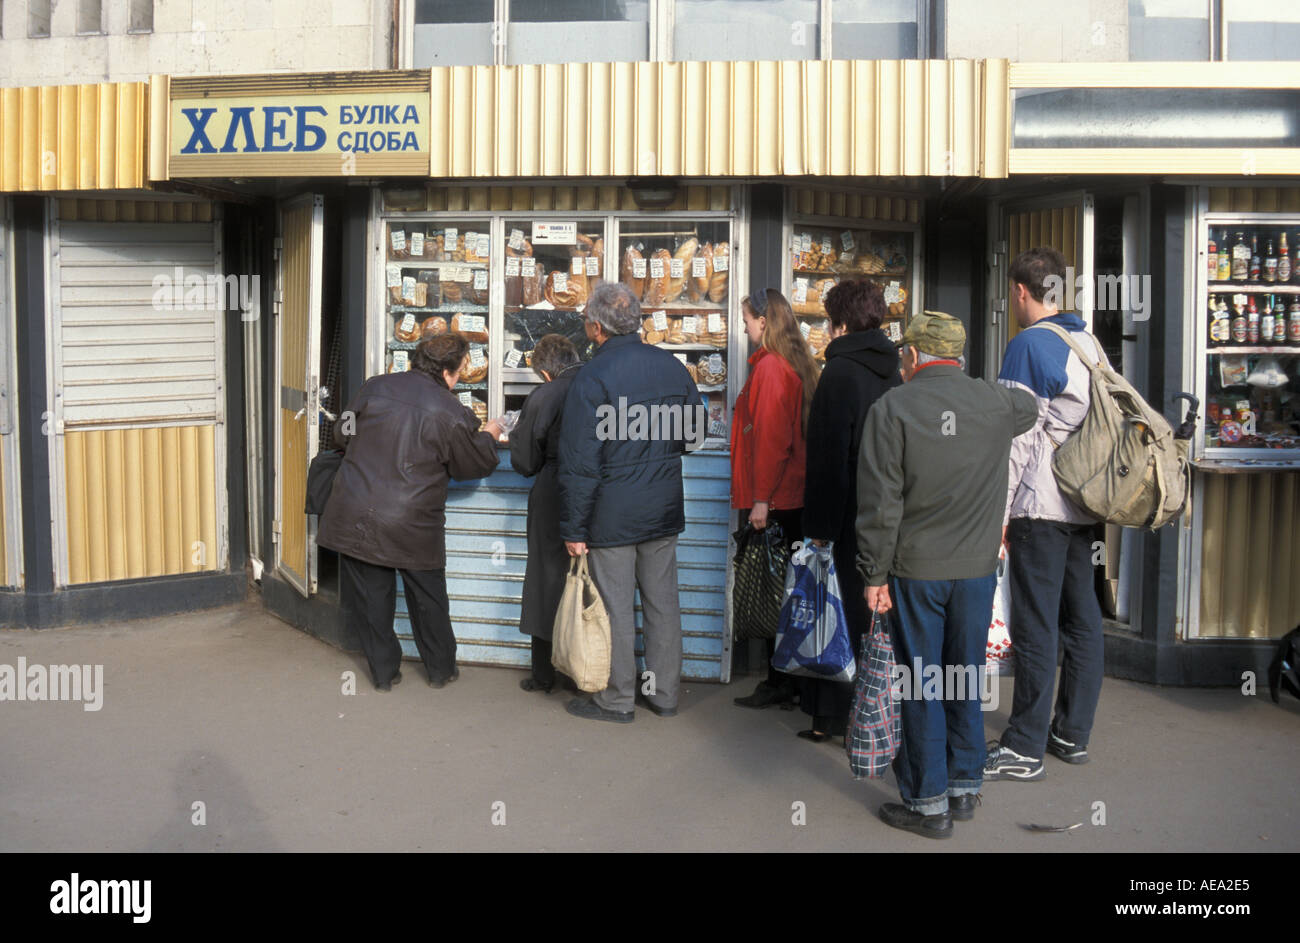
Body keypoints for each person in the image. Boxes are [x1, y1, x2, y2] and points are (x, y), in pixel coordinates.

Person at [856, 311, 1037, 839]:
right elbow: (1029, 404)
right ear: (958, 356)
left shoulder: (893, 408)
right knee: (963, 678)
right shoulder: (998, 404)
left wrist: (874, 573)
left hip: (917, 571)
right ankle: (963, 788)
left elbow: (880, 502)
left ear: (911, 356)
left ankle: (927, 803)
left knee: (921, 683)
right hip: (978, 571)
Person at [318, 334, 502, 690]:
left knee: (373, 601)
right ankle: (440, 670)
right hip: (413, 522)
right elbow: (471, 464)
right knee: (428, 599)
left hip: (360, 511)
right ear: (449, 371)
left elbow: (342, 433)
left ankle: (385, 675)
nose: (462, 376)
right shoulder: (451, 411)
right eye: (461, 370)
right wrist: (490, 435)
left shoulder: (375, 387)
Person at [557, 282, 703, 723]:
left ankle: (618, 698)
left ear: (597, 328)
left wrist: (573, 529)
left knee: (616, 607)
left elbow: (580, 463)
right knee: (662, 604)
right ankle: (664, 696)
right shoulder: (671, 366)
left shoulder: (592, 377)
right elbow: (694, 436)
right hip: (661, 509)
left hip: (611, 515)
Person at [986, 247, 1106, 781]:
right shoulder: (1087, 342)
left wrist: (998, 517)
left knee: (1036, 625)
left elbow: (1015, 439)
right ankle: (1071, 734)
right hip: (1087, 502)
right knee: (1082, 620)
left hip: (1041, 504)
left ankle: (1024, 746)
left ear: (1020, 291)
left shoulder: (1029, 345)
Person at [797, 279, 901, 741]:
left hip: (845, 514)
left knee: (833, 613)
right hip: (886, 512)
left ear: (838, 321)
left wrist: (818, 528)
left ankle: (832, 716)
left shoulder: (838, 373)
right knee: (872, 615)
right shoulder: (894, 370)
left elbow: (827, 458)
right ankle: (871, 710)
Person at [731, 288, 820, 710]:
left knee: (773, 593)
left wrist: (761, 500)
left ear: (763, 322)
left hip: (778, 499)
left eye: (746, 318)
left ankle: (778, 681)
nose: (743, 325)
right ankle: (791, 680)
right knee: (789, 593)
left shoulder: (769, 369)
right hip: (793, 497)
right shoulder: (793, 364)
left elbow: (770, 441)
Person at [511, 334, 583, 694]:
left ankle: (543, 674)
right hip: (600, 491)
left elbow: (524, 460)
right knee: (590, 577)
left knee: (546, 576)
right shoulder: (599, 383)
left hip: (555, 489)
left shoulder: (547, 394)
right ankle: (582, 668)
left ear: (545, 371)